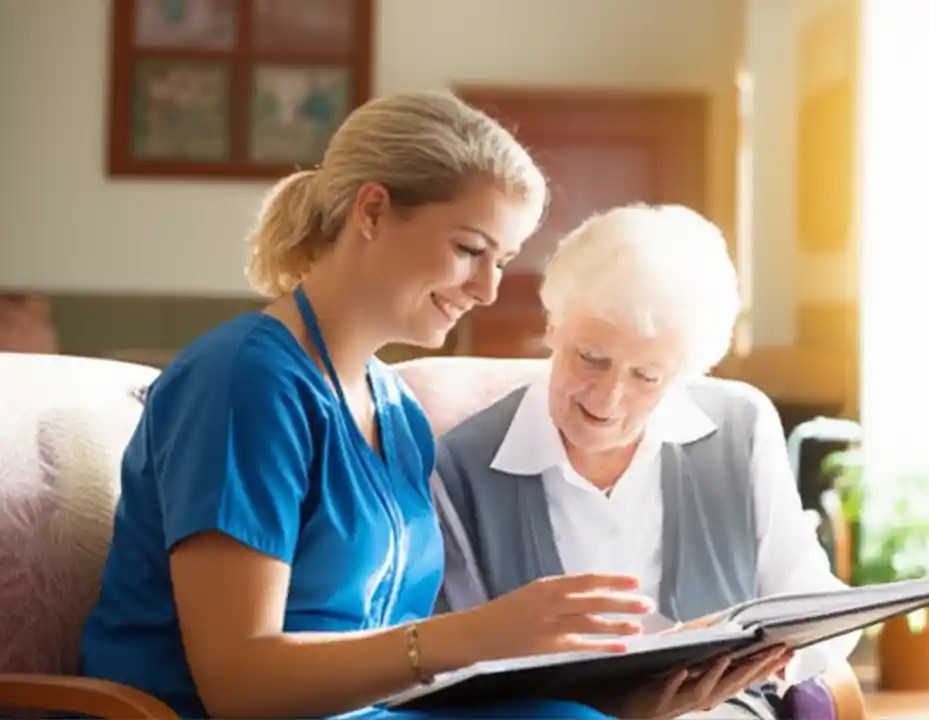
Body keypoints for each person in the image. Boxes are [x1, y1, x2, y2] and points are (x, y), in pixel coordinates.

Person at [78, 92, 788, 720]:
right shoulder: (244, 383)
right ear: (374, 210)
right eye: (469, 249)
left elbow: (394, 669)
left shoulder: (397, 413)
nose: (486, 289)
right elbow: (239, 685)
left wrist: (619, 697)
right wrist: (482, 632)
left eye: (503, 261)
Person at [433, 204, 862, 719]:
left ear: (685, 372)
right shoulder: (462, 463)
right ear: (553, 326)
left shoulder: (739, 427)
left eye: (647, 377)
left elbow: (810, 603)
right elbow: (458, 672)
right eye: (590, 358)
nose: (608, 398)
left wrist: (767, 660)